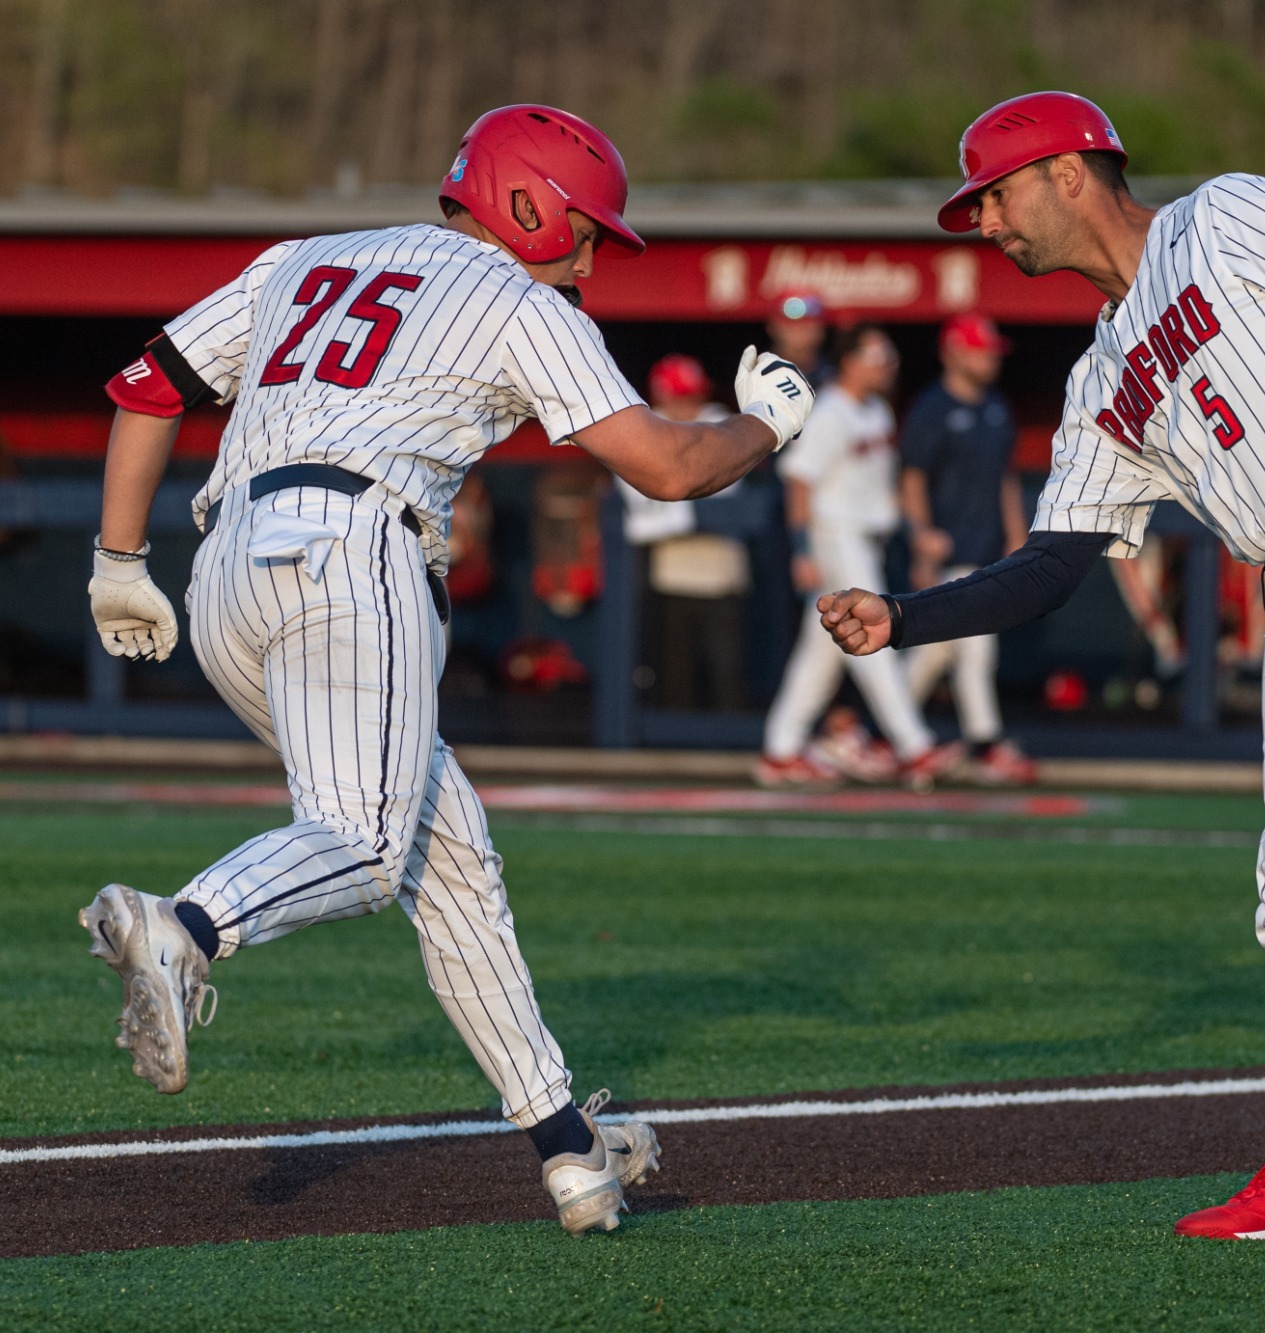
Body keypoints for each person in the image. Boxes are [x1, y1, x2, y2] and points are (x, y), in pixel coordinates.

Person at [78, 104, 816, 1236]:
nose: (587, 255)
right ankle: (186, 922)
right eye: (581, 230)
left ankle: (569, 1149)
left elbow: (145, 384)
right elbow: (667, 467)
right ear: (522, 206)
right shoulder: (517, 297)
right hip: (357, 547)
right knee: (367, 843)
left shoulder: (303, 257)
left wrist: (117, 559)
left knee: (448, 855)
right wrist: (765, 426)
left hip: (224, 562)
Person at [820, 92, 1265, 1247]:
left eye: (990, 193)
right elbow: (1051, 566)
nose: (982, 223)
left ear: (1067, 173)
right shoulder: (1099, 377)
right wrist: (902, 616)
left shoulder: (1220, 217)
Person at [757, 323, 961, 788]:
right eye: (877, 357)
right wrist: (803, 550)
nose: (887, 366)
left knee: (820, 654)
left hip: (866, 535)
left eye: (888, 357)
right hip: (835, 535)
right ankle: (914, 746)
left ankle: (780, 750)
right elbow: (799, 481)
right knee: (872, 636)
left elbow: (881, 490)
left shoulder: (877, 412)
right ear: (849, 361)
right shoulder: (830, 410)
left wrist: (915, 532)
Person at [900, 311, 1036, 785]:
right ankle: (985, 743)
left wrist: (1019, 536)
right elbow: (912, 478)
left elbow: (1006, 478)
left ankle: (891, 732)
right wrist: (920, 539)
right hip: (947, 548)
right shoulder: (932, 408)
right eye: (981, 350)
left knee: (937, 653)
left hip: (987, 549)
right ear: (954, 352)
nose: (990, 360)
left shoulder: (996, 408)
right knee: (976, 650)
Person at [616, 354, 753, 712]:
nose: (688, 404)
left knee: (728, 673)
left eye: (693, 395)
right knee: (675, 675)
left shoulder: (718, 419)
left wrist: (673, 494)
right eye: (680, 396)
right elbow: (636, 490)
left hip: (722, 573)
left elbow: (723, 491)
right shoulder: (646, 424)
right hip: (670, 577)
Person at [766, 289, 830, 386]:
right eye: (790, 326)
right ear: (772, 328)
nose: (798, 332)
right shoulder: (756, 373)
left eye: (806, 326)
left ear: (821, 329)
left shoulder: (835, 375)